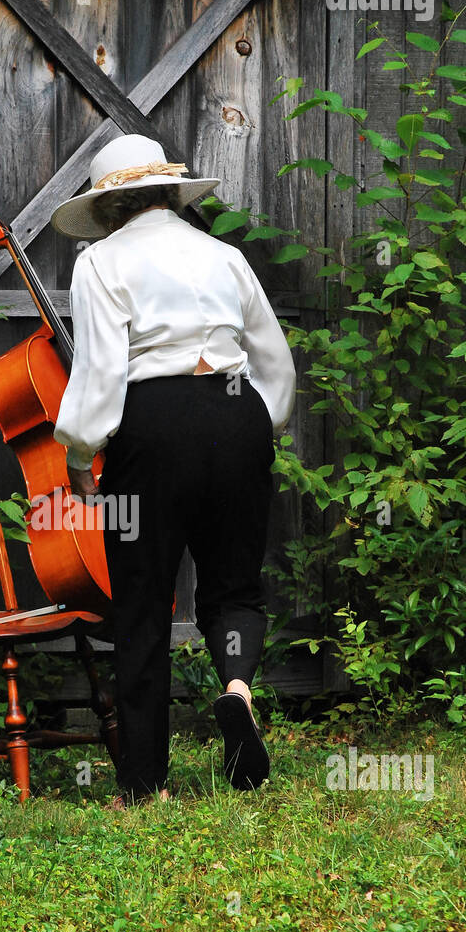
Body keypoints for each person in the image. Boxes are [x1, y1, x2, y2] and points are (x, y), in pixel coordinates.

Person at [51, 134, 296, 808]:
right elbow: (275, 361)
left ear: (108, 208)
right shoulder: (224, 256)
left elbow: (100, 370)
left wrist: (80, 452)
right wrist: (256, 428)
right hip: (237, 415)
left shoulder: (100, 261)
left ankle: (144, 784)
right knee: (233, 587)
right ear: (169, 194)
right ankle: (238, 688)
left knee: (142, 598)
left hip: (152, 426)